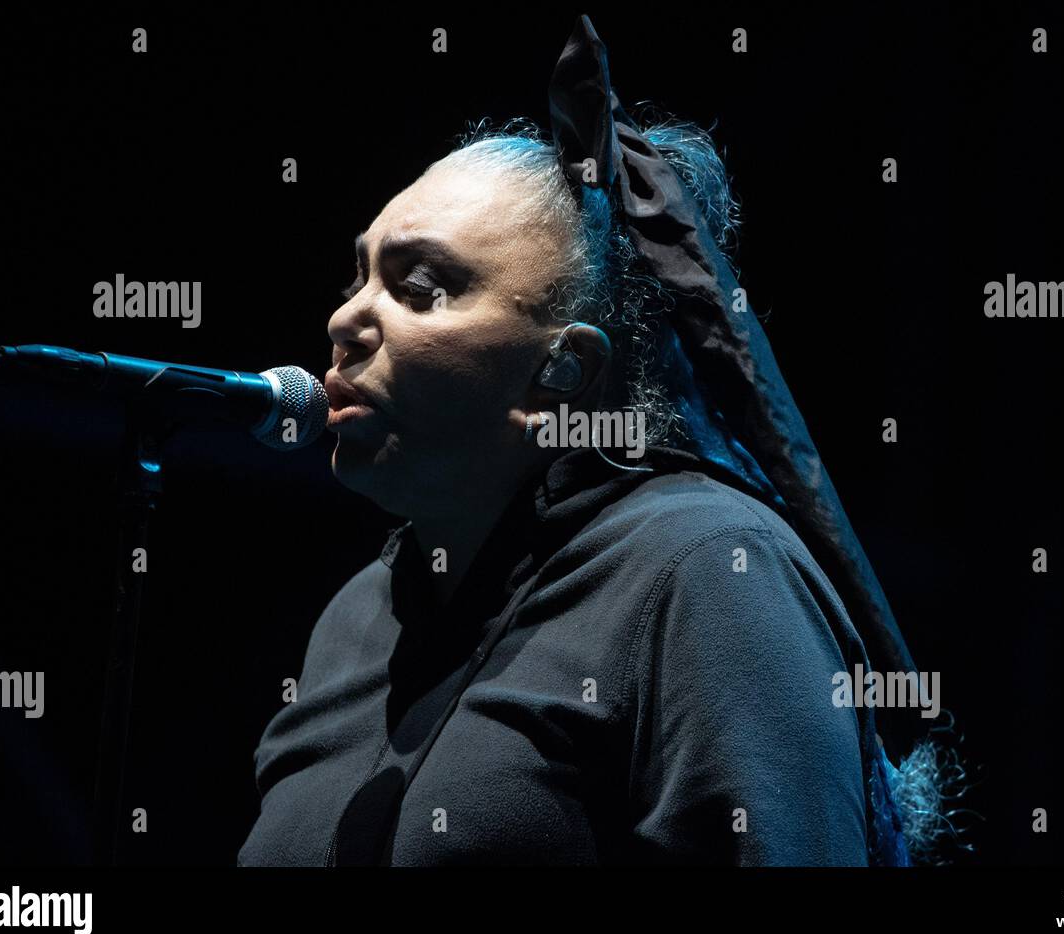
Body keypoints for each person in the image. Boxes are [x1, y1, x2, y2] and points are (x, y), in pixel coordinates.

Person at [239, 16, 936, 866]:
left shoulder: (708, 570)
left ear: (562, 372)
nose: (345, 318)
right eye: (358, 276)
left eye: (420, 288)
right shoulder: (353, 621)